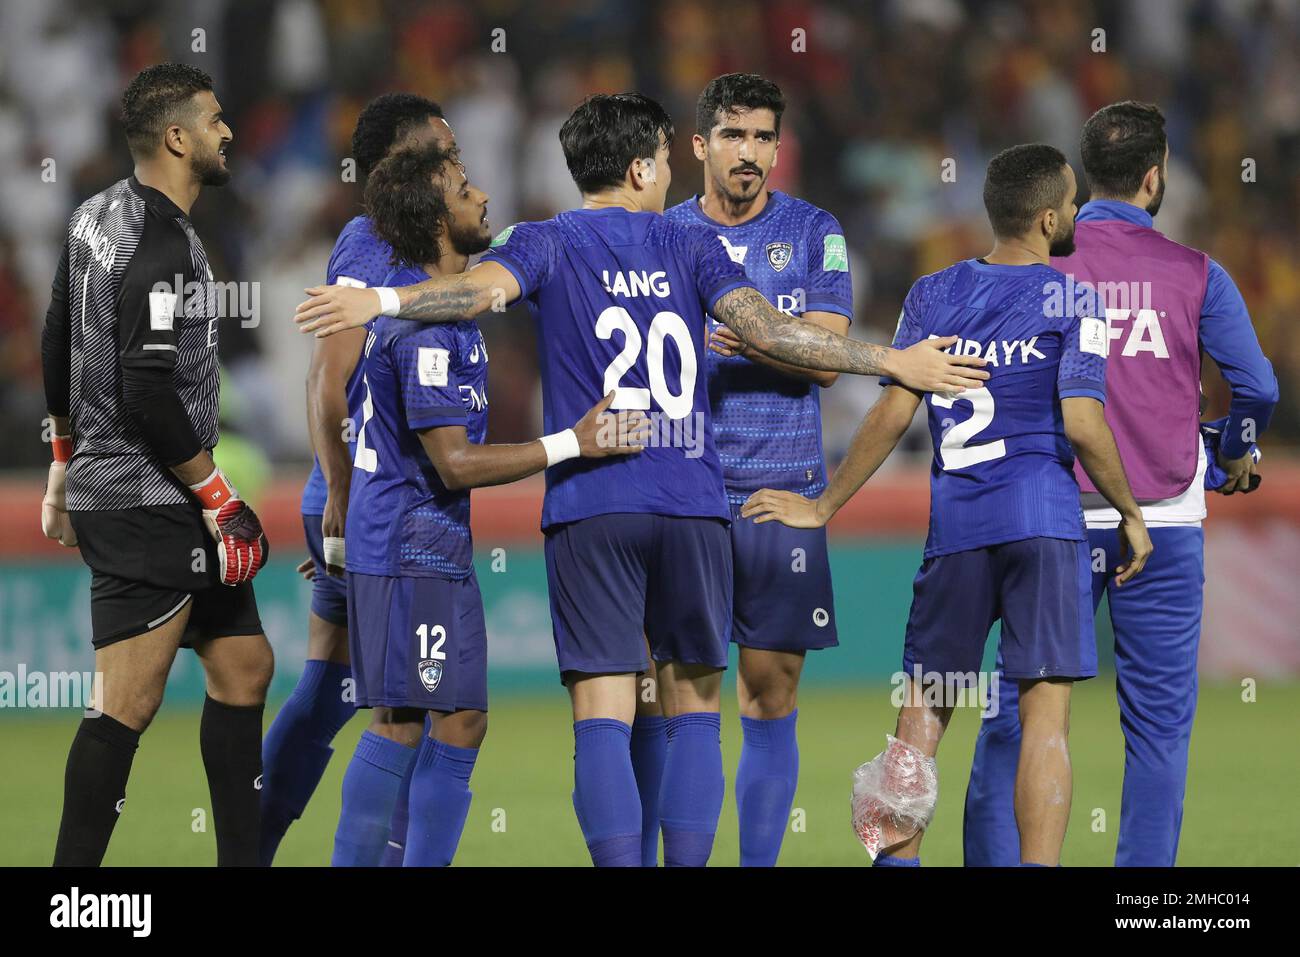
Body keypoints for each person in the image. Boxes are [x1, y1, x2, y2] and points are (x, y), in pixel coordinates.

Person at [295, 92, 988, 866]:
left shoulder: (544, 241)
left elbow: (477, 291)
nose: (668, 171)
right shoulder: (688, 244)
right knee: (693, 704)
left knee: (604, 709)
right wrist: (892, 359)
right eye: (663, 156)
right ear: (641, 166)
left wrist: (382, 297)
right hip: (692, 499)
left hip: (592, 503)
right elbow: (772, 331)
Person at [743, 144, 1153, 867]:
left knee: (921, 716)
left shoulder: (932, 293)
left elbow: (892, 414)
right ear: (1051, 215)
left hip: (958, 531)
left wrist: (824, 504)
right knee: (1044, 721)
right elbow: (1085, 423)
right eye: (1073, 202)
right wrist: (1130, 511)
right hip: (1045, 524)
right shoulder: (1074, 297)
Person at [963, 103, 1280, 867]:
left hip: (1053, 515)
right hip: (1165, 522)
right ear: (1154, 175)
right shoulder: (1198, 272)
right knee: (1159, 730)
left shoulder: (1042, 265)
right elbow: (1257, 386)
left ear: (1081, 178)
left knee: (1015, 715)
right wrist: (1232, 449)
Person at [331, 141, 647, 865]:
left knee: (452, 718)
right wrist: (575, 442)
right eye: (465, 188)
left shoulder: (445, 306)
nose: (482, 196)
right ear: (435, 219)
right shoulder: (429, 331)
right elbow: (454, 462)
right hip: (411, 547)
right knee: (407, 722)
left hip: (424, 545)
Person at [41, 63, 272, 866]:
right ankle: (70, 897)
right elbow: (145, 386)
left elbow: (56, 334)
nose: (226, 130)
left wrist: (60, 462)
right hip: (152, 496)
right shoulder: (165, 243)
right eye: (213, 120)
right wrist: (218, 495)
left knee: (244, 666)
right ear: (177, 137)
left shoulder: (94, 217)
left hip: (124, 480)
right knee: (123, 705)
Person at [657, 73, 852, 867]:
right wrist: (777, 336)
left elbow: (832, 356)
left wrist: (756, 335)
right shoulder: (662, 234)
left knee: (768, 694)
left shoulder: (813, 230)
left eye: (764, 137)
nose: (750, 153)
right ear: (699, 144)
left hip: (784, 493)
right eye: (734, 135)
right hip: (688, 496)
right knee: (682, 701)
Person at [259, 92, 456, 867]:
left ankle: (252, 846)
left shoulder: (397, 238)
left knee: (329, 687)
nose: (457, 162)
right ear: (400, 165)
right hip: (380, 501)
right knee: (419, 706)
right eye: (442, 151)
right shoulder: (375, 244)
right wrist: (343, 498)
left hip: (366, 498)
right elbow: (325, 380)